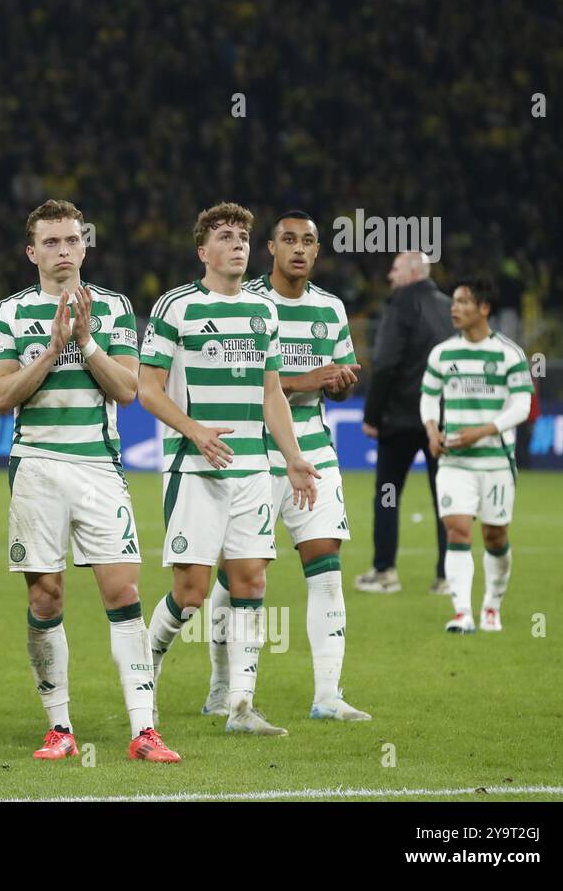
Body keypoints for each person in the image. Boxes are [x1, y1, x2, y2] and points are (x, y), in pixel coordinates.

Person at [0, 199, 177, 763]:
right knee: (46, 599)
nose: (62, 251)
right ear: (31, 252)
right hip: (37, 465)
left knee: (123, 593)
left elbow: (127, 390)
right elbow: (0, 395)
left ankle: (144, 730)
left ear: (84, 246)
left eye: (71, 240)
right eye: (50, 242)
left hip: (98, 466)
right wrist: (51, 349)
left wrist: (87, 341)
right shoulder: (8, 313)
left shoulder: (115, 308)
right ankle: (59, 727)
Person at [138, 201, 319, 745]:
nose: (239, 242)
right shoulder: (177, 307)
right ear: (203, 251)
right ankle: (146, 661)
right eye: (226, 235)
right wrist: (195, 430)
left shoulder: (264, 313)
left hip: (251, 472)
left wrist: (292, 457)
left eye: (244, 234)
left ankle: (241, 702)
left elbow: (272, 393)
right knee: (191, 592)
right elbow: (146, 389)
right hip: (193, 467)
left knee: (251, 581)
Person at [205, 212, 369, 722]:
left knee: (326, 568)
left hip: (313, 451)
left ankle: (327, 695)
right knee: (239, 577)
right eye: (289, 240)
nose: (299, 249)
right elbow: (239, 382)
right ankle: (220, 685)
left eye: (309, 242)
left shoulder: (330, 308)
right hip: (254, 453)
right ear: (270, 248)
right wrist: (306, 379)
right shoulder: (246, 303)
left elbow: (341, 380)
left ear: (318, 252)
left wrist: (340, 384)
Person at [421, 278, 531, 633]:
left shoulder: (508, 354)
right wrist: (432, 429)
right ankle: (461, 612)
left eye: (464, 302)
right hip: (454, 460)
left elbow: (522, 406)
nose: (454, 308)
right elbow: (428, 396)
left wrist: (481, 431)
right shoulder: (442, 353)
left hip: (496, 460)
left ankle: (491, 606)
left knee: (495, 536)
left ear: (484, 308)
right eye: (453, 301)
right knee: (457, 530)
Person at [358, 251, 454, 594]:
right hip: (441, 422)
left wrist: (371, 415)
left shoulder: (400, 306)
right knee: (445, 497)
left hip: (398, 420)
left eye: (396, 269)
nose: (389, 275)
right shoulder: (449, 308)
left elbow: (384, 364)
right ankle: (448, 576)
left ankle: (385, 572)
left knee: (387, 494)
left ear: (413, 272)